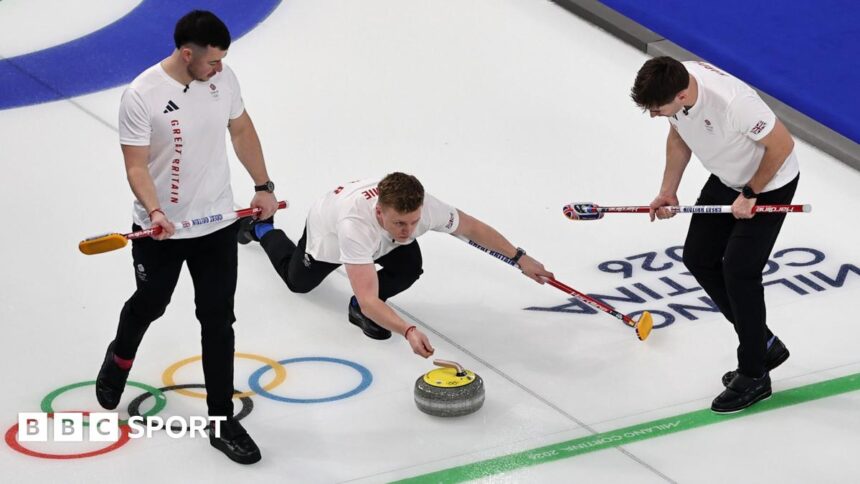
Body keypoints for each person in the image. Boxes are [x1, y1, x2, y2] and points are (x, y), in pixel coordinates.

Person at [95, 10, 278, 464]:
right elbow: (136, 164)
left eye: (222, 61)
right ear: (186, 53)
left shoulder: (224, 78)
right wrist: (156, 210)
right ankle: (119, 356)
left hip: (216, 224)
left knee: (218, 320)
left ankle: (222, 421)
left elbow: (241, 129)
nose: (219, 68)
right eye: (212, 61)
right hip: (161, 229)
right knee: (151, 304)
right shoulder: (141, 95)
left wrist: (263, 185)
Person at [631, 56, 800, 413]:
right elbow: (679, 136)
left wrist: (751, 193)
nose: (653, 115)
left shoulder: (734, 104)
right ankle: (763, 343)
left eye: (657, 109)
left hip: (768, 184)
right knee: (698, 258)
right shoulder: (676, 85)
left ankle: (755, 373)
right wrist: (668, 189)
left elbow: (783, 145)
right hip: (727, 178)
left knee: (740, 270)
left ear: (680, 95)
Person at [238, 172, 553, 357]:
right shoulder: (354, 227)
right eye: (401, 223)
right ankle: (262, 229)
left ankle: (358, 315)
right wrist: (408, 329)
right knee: (298, 283)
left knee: (409, 266)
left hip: (378, 239)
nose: (409, 231)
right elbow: (369, 297)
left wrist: (519, 256)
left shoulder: (423, 210)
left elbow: (471, 228)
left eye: (414, 222)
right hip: (328, 233)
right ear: (379, 212)